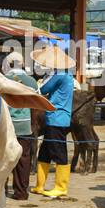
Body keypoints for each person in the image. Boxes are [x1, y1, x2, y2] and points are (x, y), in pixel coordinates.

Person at [32, 57, 74, 199]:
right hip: (54, 118)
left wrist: (41, 80)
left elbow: (43, 89)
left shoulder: (60, 75)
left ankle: (61, 187)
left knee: (59, 152)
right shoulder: (64, 74)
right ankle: (40, 185)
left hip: (57, 118)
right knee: (45, 152)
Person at [1, 52, 39, 201]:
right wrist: (33, 124)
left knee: (3, 158)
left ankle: (1, 189)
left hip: (5, 126)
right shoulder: (31, 81)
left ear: (9, 65)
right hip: (25, 125)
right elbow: (35, 105)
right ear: (22, 64)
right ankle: (21, 192)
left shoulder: (3, 80)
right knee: (23, 159)